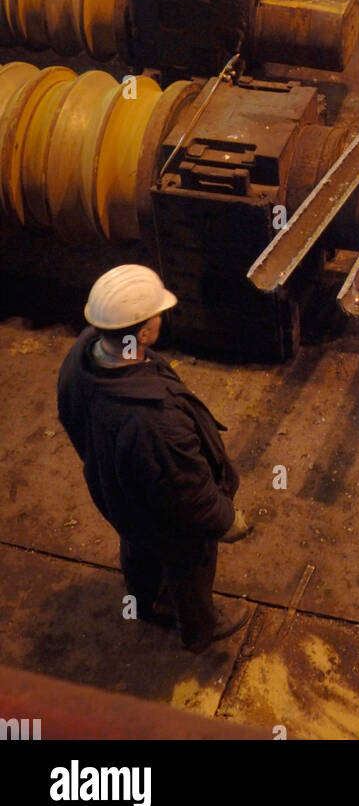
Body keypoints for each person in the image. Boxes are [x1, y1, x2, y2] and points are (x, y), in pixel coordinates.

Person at [57, 264, 253, 654]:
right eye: (156, 314)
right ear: (144, 332)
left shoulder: (81, 356)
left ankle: (146, 599)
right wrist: (227, 521)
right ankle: (200, 629)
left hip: (118, 494)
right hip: (167, 520)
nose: (161, 318)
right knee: (189, 567)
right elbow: (189, 494)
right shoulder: (155, 420)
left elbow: (72, 420)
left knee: (137, 542)